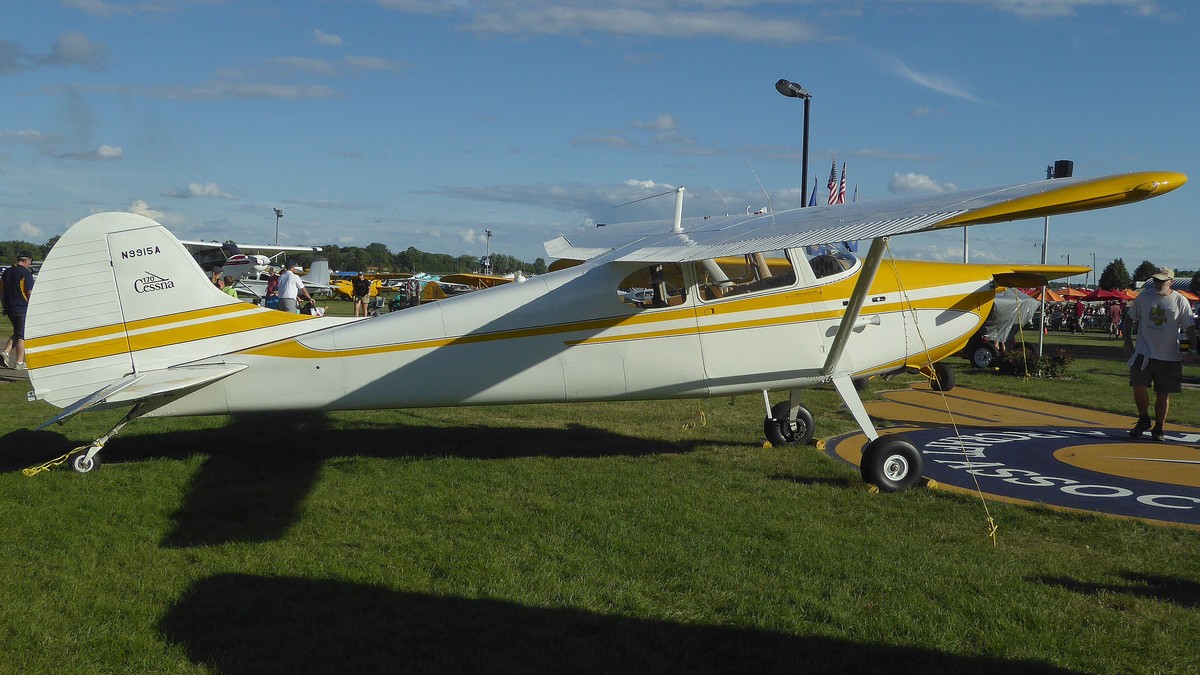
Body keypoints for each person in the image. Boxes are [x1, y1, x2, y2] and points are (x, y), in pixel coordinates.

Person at [1122, 268, 1197, 441]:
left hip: (1169, 356)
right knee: (1138, 385)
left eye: (1162, 281)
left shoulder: (1180, 301)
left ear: (1171, 281)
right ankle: (1143, 418)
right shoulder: (1144, 297)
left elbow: (1188, 328)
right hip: (1144, 352)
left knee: (1163, 393)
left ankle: (1159, 427)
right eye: (1156, 280)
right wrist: (1127, 340)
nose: (1158, 284)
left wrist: (1189, 350)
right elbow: (1129, 318)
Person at [2, 251, 36, 370]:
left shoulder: (6, 272)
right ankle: (19, 362)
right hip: (22, 307)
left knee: (18, 331)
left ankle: (6, 353)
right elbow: (30, 293)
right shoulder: (25, 273)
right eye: (30, 262)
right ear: (26, 260)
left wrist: (4, 306)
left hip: (10, 307)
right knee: (22, 335)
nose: (30, 264)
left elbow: (2, 292)